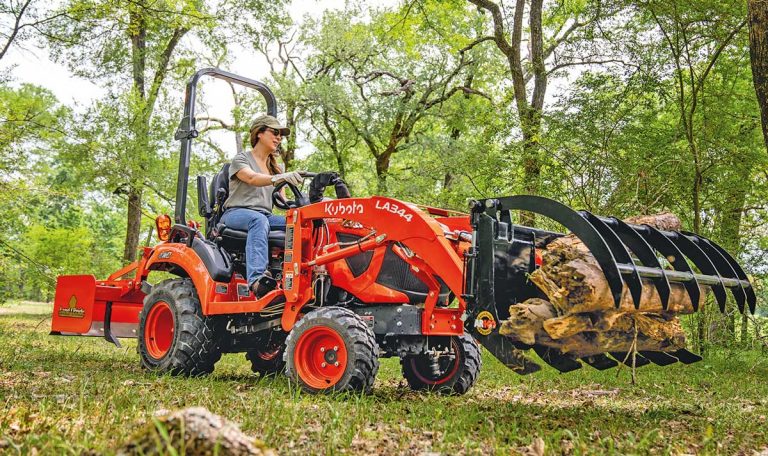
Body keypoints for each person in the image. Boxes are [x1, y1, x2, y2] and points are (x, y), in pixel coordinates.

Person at [221, 114, 303, 296]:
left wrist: (301, 205)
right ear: (259, 133)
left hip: (265, 216)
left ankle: (300, 278)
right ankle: (257, 280)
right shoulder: (241, 159)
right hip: (236, 214)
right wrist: (278, 178)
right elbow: (251, 178)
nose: (279, 137)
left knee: (301, 224)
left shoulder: (276, 167)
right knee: (258, 221)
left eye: (281, 134)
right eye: (275, 132)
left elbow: (282, 201)